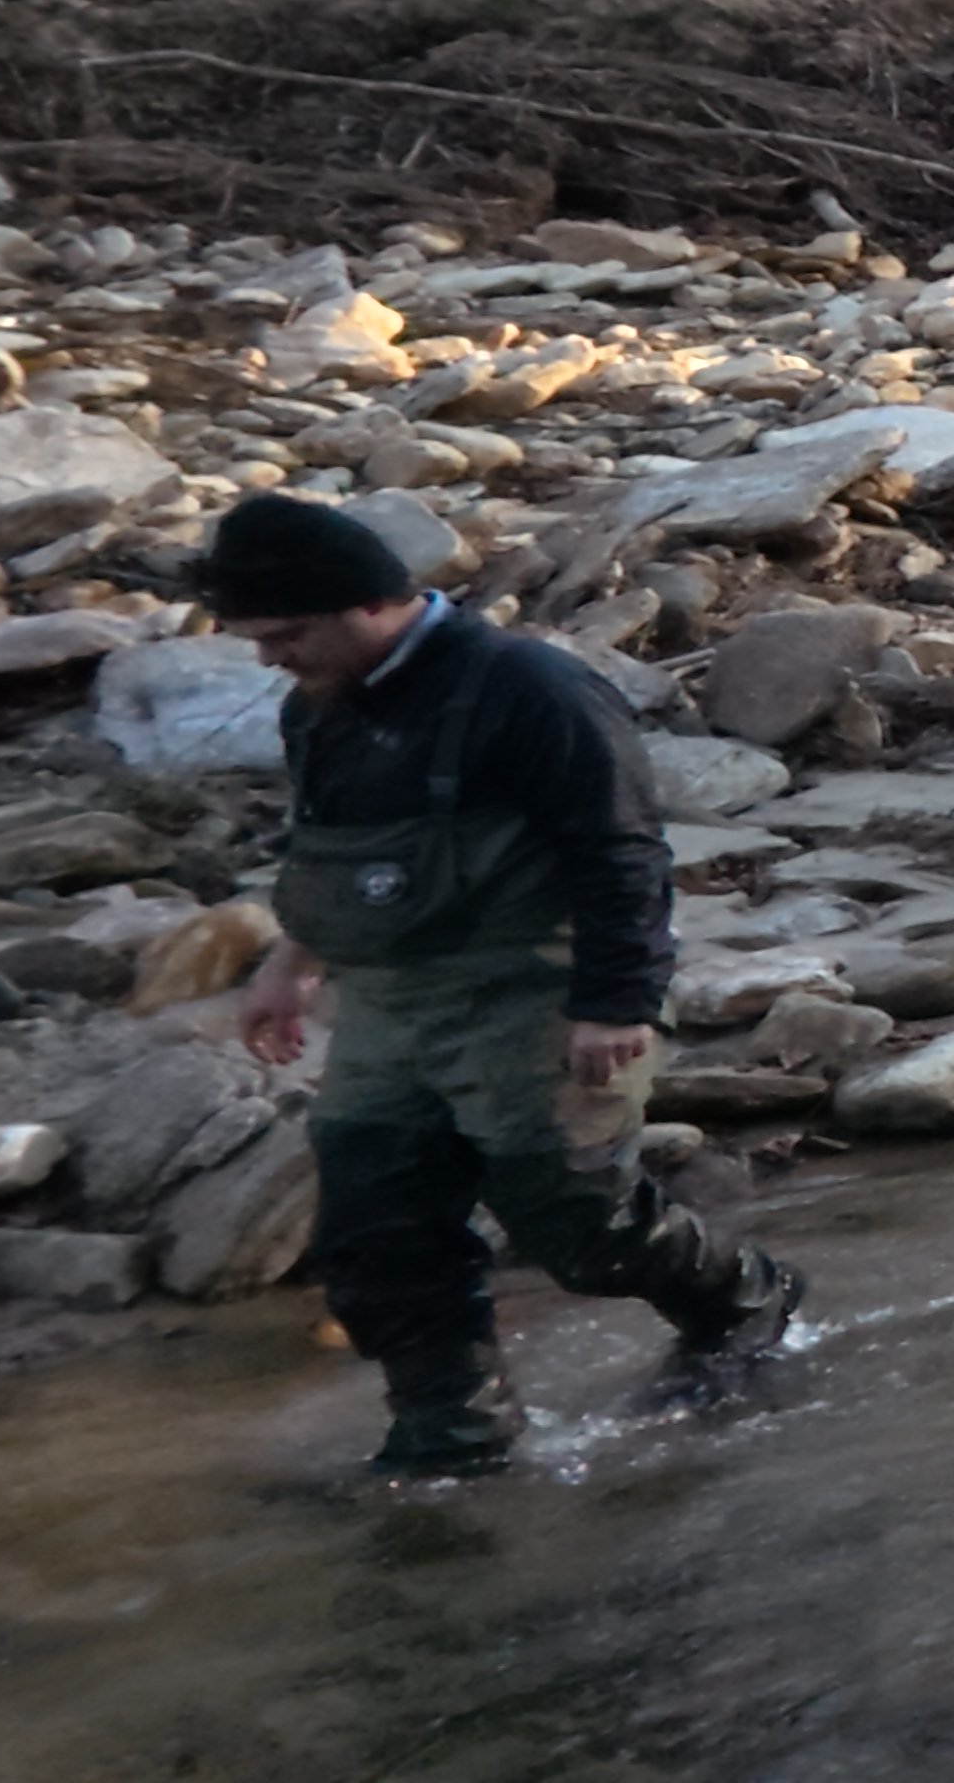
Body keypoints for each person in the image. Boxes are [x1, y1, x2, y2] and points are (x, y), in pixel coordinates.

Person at [195, 493, 799, 1476]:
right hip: (391, 1008)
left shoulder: (528, 689)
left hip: (535, 997)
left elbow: (621, 853)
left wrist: (617, 1003)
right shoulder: (320, 709)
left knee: (579, 1232)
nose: (271, 658)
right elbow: (322, 852)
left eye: (286, 634)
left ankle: (748, 1299)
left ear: (367, 605)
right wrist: (286, 966)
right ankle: (454, 1436)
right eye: (256, 638)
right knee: (376, 1236)